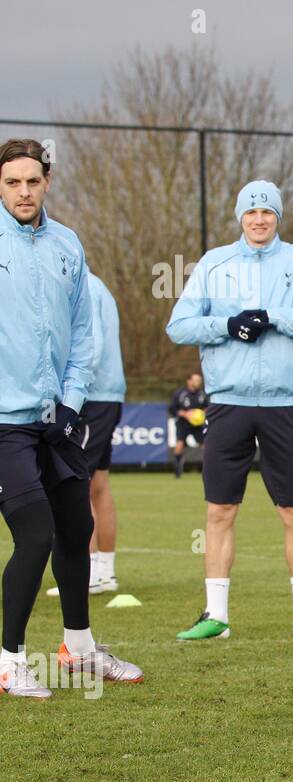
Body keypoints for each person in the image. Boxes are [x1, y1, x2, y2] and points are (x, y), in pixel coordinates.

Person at [166, 179, 293, 640]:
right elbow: (179, 326)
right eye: (251, 212)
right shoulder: (214, 263)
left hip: (285, 405)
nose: (259, 219)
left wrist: (274, 316)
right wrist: (227, 324)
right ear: (240, 217)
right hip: (227, 404)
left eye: (267, 212)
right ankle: (216, 617)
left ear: (278, 217)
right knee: (220, 511)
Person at [0, 139, 142, 697]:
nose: (23, 191)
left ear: (48, 181)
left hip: (56, 418)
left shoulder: (67, 244)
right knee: (34, 537)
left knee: (77, 528)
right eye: (12, 182)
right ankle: (8, 660)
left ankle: (78, 649)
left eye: (32, 181)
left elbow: (84, 334)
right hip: (5, 422)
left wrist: (71, 401)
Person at [46, 270, 127, 597]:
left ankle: (88, 569)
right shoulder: (100, 285)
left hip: (90, 397)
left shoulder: (84, 289)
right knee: (98, 486)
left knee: (77, 485)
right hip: (106, 396)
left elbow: (89, 350)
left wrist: (68, 393)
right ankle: (104, 571)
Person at [169, 372, 209, 478]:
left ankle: (209, 469)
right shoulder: (180, 393)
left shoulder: (202, 394)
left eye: (199, 381)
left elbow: (207, 407)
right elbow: (172, 409)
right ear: (189, 381)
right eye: (196, 380)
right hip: (183, 423)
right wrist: (185, 414)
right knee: (179, 445)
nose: (198, 383)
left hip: (198, 425)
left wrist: (203, 412)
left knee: (206, 446)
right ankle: (177, 470)